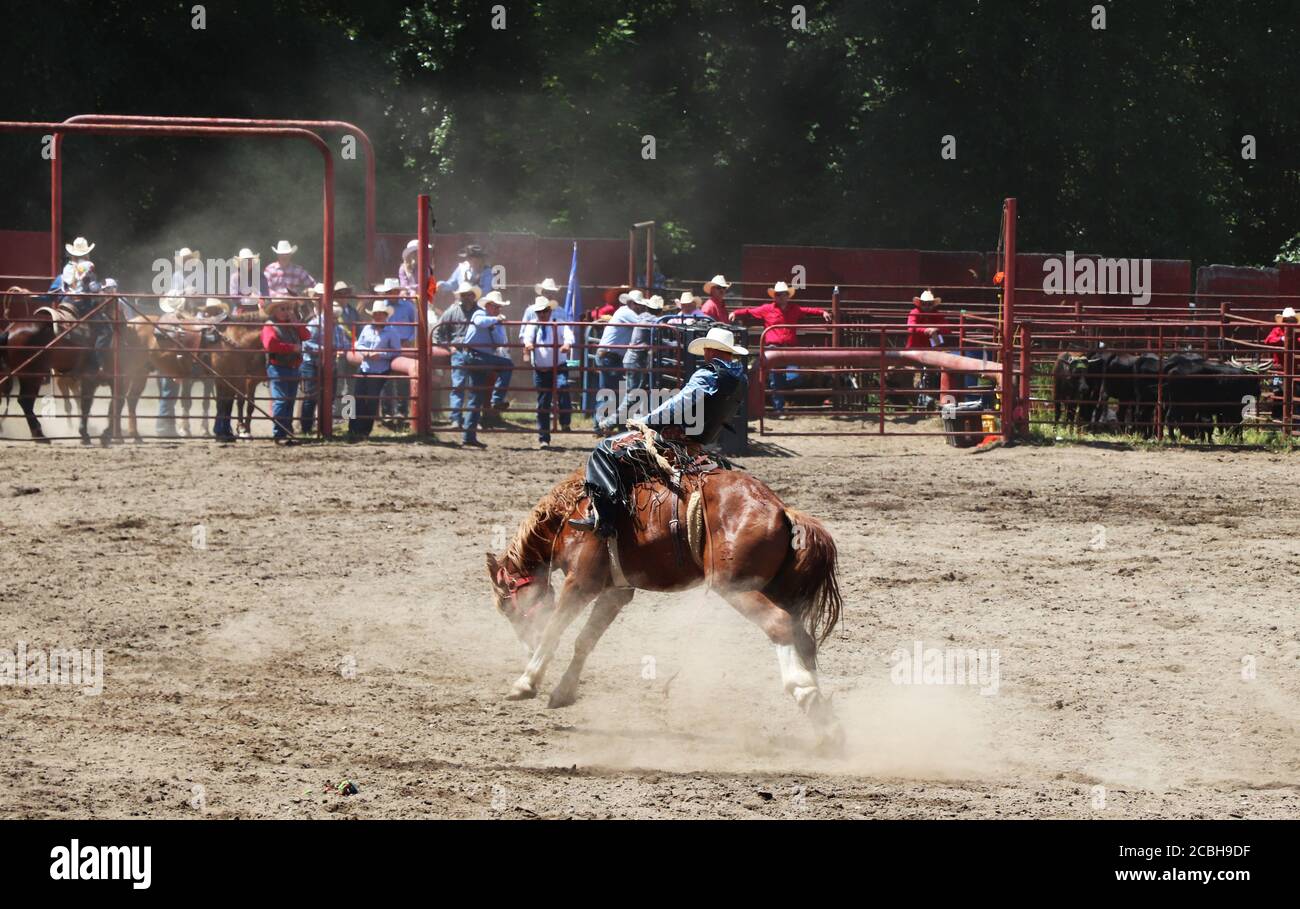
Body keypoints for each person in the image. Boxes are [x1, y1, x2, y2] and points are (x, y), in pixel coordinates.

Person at [569, 326, 749, 536]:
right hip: (701, 441)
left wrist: (645, 422)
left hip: (674, 439)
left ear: (709, 350)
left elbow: (679, 403)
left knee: (603, 450)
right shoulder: (740, 379)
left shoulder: (707, 375)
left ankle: (604, 517)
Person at [729, 281, 831, 416]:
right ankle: (779, 408)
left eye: (783, 294)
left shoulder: (795, 309)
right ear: (774, 296)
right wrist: (736, 313)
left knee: (794, 376)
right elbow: (749, 311)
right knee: (778, 378)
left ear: (788, 296)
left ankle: (777, 387)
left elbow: (808, 310)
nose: (781, 297)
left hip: (790, 348)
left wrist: (822, 312)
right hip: (773, 348)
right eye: (778, 295)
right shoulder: (766, 309)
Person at [460, 291, 514, 448]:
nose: (498, 310)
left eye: (499, 307)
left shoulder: (493, 321)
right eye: (496, 306)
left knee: (475, 398)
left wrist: (495, 325)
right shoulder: (479, 313)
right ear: (488, 306)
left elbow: (500, 341)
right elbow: (479, 322)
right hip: (475, 356)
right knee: (507, 365)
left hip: (478, 358)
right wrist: (494, 321)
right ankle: (497, 399)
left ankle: (468, 437)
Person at [521, 295, 575, 448]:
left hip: (559, 366)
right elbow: (527, 337)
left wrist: (567, 344)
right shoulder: (532, 324)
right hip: (541, 369)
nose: (542, 315)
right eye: (539, 312)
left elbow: (569, 335)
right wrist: (528, 344)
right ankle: (544, 438)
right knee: (543, 404)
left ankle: (565, 421)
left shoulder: (558, 324)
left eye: (544, 311)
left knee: (563, 387)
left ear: (549, 311)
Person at [300, 285, 352, 436]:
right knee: (311, 396)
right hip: (312, 362)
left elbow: (345, 343)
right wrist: (324, 348)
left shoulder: (338, 328)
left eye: (336, 316)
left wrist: (342, 348)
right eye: (334, 316)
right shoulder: (316, 324)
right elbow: (306, 342)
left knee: (329, 395)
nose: (335, 319)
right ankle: (307, 427)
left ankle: (323, 426)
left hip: (330, 363)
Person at [349, 299, 404, 439]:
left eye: (381, 314)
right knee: (355, 398)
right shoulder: (367, 328)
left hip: (379, 370)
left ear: (386, 316)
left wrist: (381, 355)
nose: (378, 316)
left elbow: (396, 352)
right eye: (376, 314)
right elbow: (359, 344)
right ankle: (352, 428)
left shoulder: (392, 332)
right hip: (365, 367)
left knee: (372, 401)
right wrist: (366, 352)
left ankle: (365, 431)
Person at [433, 282, 485, 428]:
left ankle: (472, 419)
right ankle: (456, 418)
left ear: (473, 296)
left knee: (475, 386)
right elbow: (437, 332)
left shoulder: (480, 312)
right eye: (463, 295)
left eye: (469, 294)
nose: (466, 297)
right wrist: (450, 347)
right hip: (459, 351)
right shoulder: (452, 311)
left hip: (475, 351)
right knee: (458, 385)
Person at [261, 297, 310, 444]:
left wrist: (297, 322)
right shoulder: (269, 326)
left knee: (288, 401)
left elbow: (306, 335)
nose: (286, 312)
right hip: (278, 367)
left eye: (288, 309)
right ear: (274, 310)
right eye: (282, 309)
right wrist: (291, 348)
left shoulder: (292, 325)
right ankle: (279, 434)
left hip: (293, 367)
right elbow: (270, 345)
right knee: (282, 401)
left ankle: (286, 432)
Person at [595, 289, 649, 400]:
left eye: (640, 304)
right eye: (637, 304)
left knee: (611, 391)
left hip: (612, 356)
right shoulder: (627, 313)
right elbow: (645, 325)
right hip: (609, 356)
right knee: (609, 392)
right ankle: (603, 416)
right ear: (629, 303)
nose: (639, 307)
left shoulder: (625, 312)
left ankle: (607, 416)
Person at [905, 289, 950, 407]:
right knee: (917, 374)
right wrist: (926, 329)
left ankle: (927, 399)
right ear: (920, 303)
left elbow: (948, 328)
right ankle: (920, 400)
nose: (927, 306)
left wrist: (936, 329)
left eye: (929, 304)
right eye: (924, 303)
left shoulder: (937, 315)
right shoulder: (914, 312)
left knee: (930, 374)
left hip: (930, 350)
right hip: (915, 350)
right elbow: (911, 327)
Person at [229, 248, 265, 312]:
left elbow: (266, 295)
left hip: (258, 309)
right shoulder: (235, 277)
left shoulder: (261, 276)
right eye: (245, 260)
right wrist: (250, 298)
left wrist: (258, 298)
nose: (248, 262)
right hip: (240, 309)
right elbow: (234, 297)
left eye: (250, 260)